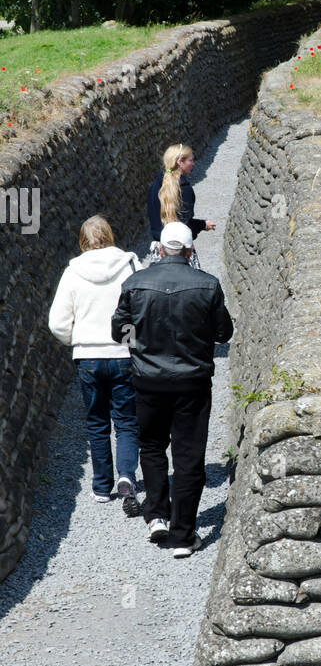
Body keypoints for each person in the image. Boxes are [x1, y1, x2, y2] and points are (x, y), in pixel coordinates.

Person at [111, 221, 233, 556]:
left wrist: (144, 346)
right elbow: (224, 333)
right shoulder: (207, 285)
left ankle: (157, 516)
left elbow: (120, 334)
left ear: (160, 249)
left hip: (147, 381)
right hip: (191, 382)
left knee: (151, 448)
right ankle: (183, 534)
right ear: (190, 250)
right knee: (189, 456)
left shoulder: (136, 283)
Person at [48, 216, 142, 509]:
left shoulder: (73, 272)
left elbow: (57, 323)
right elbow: (143, 307)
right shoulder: (129, 265)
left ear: (82, 239)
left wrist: (77, 341)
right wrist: (133, 340)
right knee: (126, 421)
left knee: (97, 422)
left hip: (87, 356)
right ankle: (126, 476)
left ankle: (102, 486)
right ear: (110, 235)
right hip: (123, 353)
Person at [145, 144, 216, 267]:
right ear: (180, 162)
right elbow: (184, 225)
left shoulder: (155, 187)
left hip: (159, 250)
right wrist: (203, 225)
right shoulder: (185, 190)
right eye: (190, 160)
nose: (193, 164)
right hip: (181, 252)